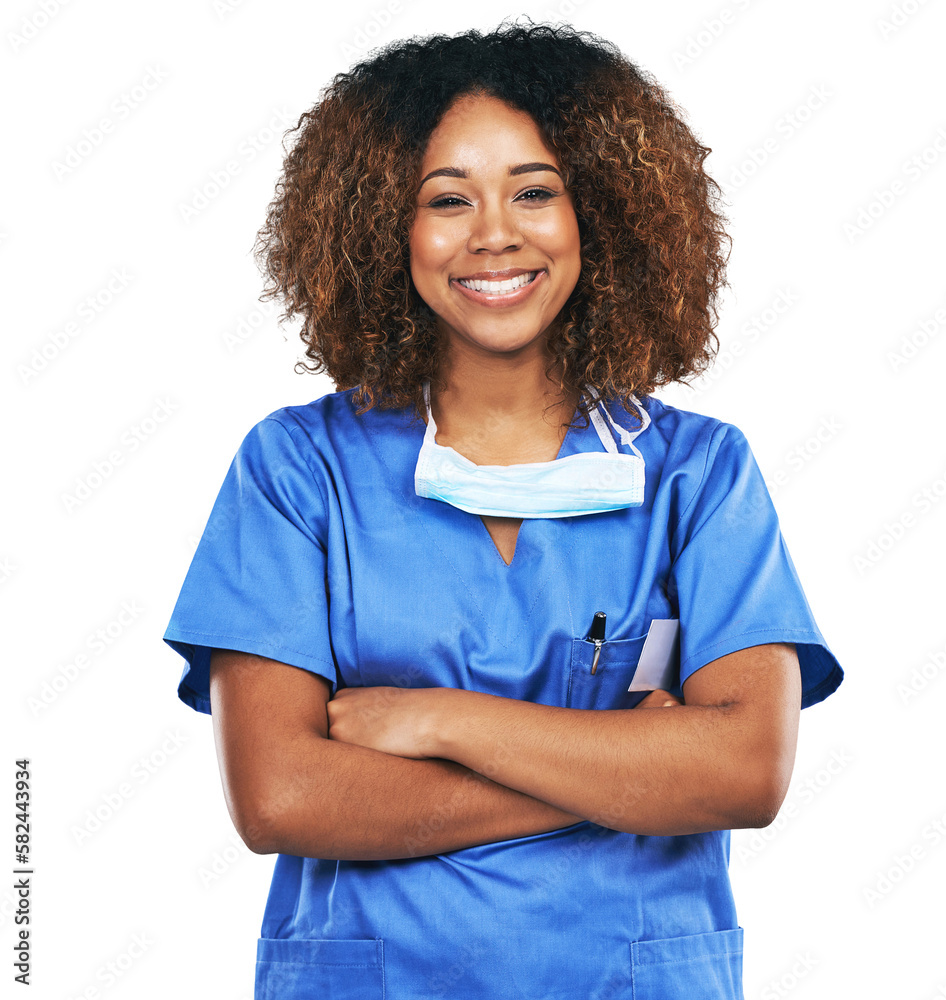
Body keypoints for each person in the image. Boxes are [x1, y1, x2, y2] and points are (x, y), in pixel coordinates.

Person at [162, 21, 843, 999]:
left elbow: (743, 772)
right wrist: (626, 773)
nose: (493, 232)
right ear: (378, 228)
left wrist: (436, 719)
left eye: (535, 191)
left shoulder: (699, 474)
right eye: (446, 199)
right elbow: (282, 794)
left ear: (604, 215)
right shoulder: (297, 469)